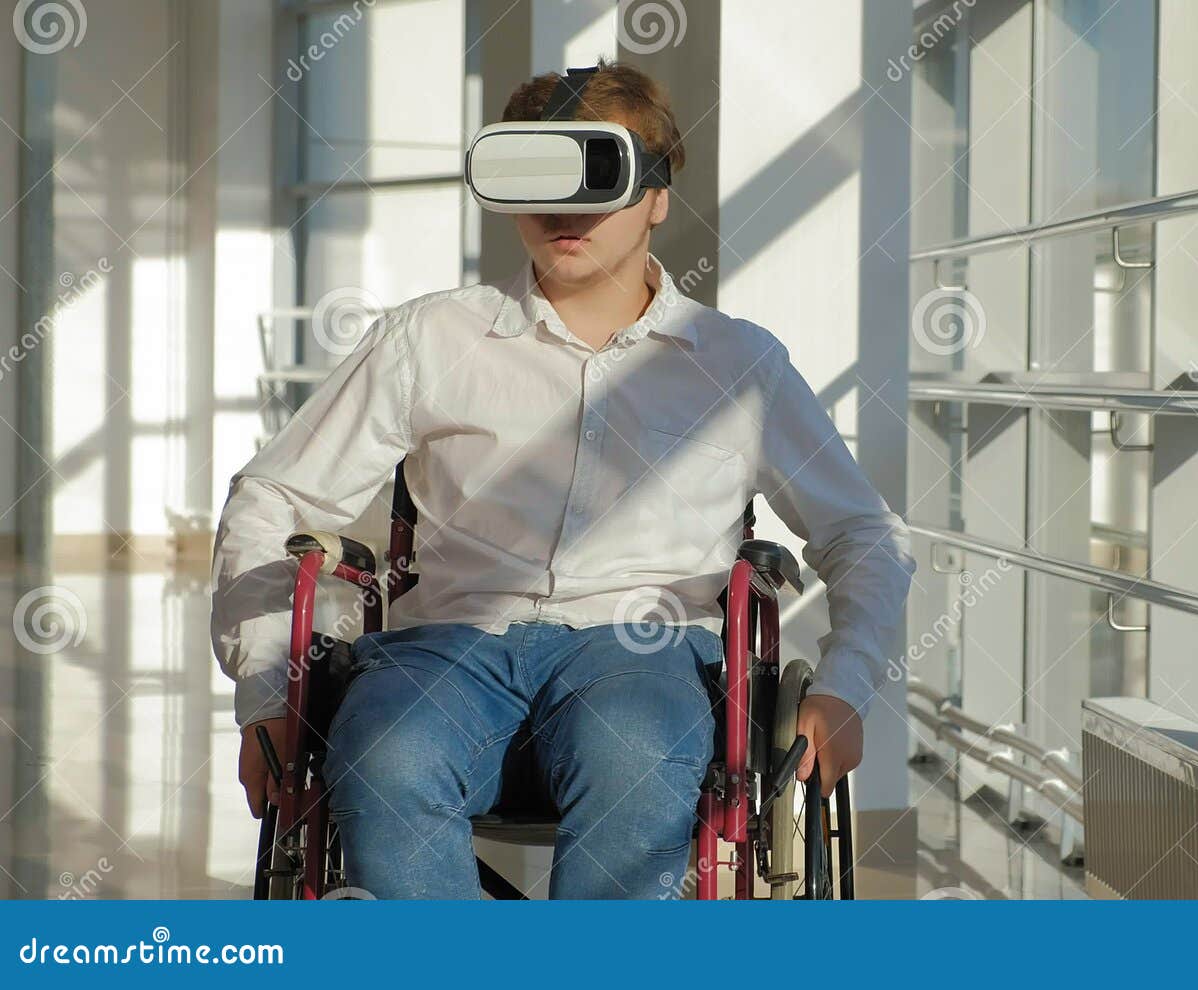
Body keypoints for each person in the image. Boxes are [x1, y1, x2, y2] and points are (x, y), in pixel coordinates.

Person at [210, 60, 914, 899]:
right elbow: (275, 496)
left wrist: (843, 689)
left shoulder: (739, 365)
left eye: (598, 177)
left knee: (634, 748)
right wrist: (266, 695)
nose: (565, 208)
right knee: (385, 753)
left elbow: (864, 533)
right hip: (451, 646)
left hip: (643, 646)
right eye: (539, 174)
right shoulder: (431, 339)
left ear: (655, 195)